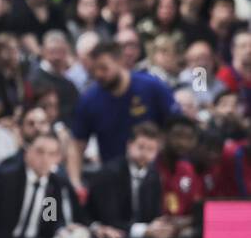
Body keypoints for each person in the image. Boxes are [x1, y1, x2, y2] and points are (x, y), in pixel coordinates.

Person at [67, 39, 181, 191]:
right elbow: (77, 145)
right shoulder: (89, 99)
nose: (98, 74)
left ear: (120, 61)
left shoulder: (152, 86)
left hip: (155, 175)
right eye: (94, 70)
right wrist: (75, 183)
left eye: (103, 68)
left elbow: (176, 128)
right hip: (114, 179)